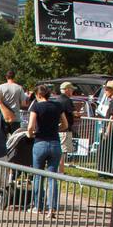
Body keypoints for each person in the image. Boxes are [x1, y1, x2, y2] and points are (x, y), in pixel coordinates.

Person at [27, 83, 67, 215]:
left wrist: (30, 133)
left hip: (40, 142)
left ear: (38, 95)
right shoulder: (57, 106)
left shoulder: (36, 107)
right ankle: (52, 208)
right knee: (52, 176)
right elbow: (65, 124)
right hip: (55, 143)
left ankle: (38, 206)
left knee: (38, 175)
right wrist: (56, 129)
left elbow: (31, 126)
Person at [53, 81, 77, 161]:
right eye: (71, 89)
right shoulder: (67, 100)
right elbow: (74, 113)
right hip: (65, 128)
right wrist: (80, 114)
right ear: (67, 90)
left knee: (58, 150)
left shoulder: (57, 99)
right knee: (63, 152)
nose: (72, 91)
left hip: (58, 127)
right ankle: (60, 172)